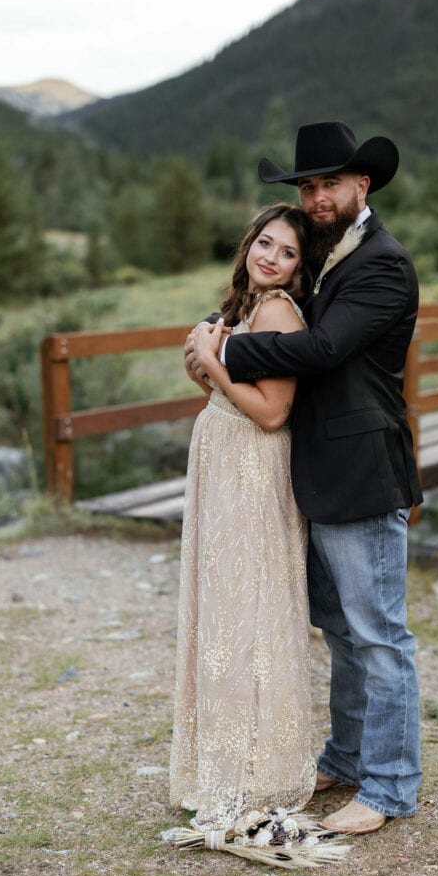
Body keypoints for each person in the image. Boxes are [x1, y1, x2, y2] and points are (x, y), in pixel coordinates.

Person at [193, 121, 424, 835]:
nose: (318, 196)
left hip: (361, 472)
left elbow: (319, 348)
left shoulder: (380, 264)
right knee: (343, 632)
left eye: (331, 183)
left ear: (363, 185)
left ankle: (387, 790)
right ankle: (346, 759)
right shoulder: (325, 260)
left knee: (378, 636)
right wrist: (216, 330)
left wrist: (221, 346)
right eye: (308, 186)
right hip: (314, 474)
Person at [169, 202, 317, 837]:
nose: (271, 259)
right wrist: (201, 360)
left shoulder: (280, 310)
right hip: (223, 469)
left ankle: (257, 768)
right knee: (224, 613)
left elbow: (272, 412)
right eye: (265, 243)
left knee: (246, 612)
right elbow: (228, 390)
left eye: (287, 253)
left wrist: (217, 360)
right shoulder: (243, 308)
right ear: (249, 244)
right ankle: (225, 759)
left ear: (298, 267)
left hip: (253, 471)